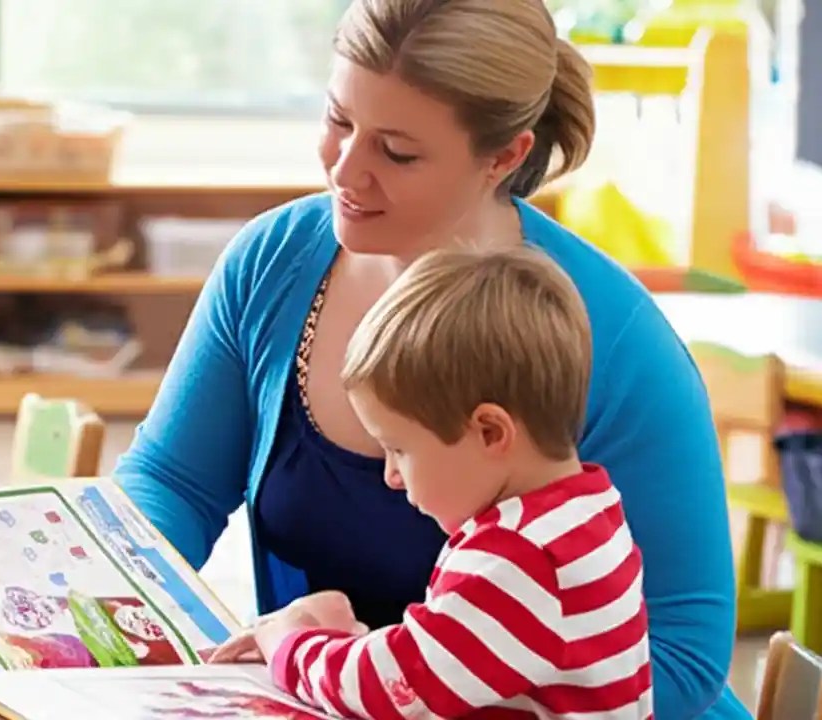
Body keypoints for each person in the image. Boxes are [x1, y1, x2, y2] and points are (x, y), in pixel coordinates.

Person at [114, 0, 744, 716]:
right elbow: (173, 482)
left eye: (397, 152)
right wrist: (103, 598)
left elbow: (684, 654)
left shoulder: (613, 338)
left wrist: (397, 682)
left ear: (504, 157)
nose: (346, 171)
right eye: (338, 120)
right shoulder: (273, 264)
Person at [221, 245, 652, 719]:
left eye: (399, 450)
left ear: (490, 432)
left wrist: (291, 642)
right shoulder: (586, 512)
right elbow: (453, 665)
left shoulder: (520, 557)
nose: (390, 476)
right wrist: (349, 638)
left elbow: (392, 690)